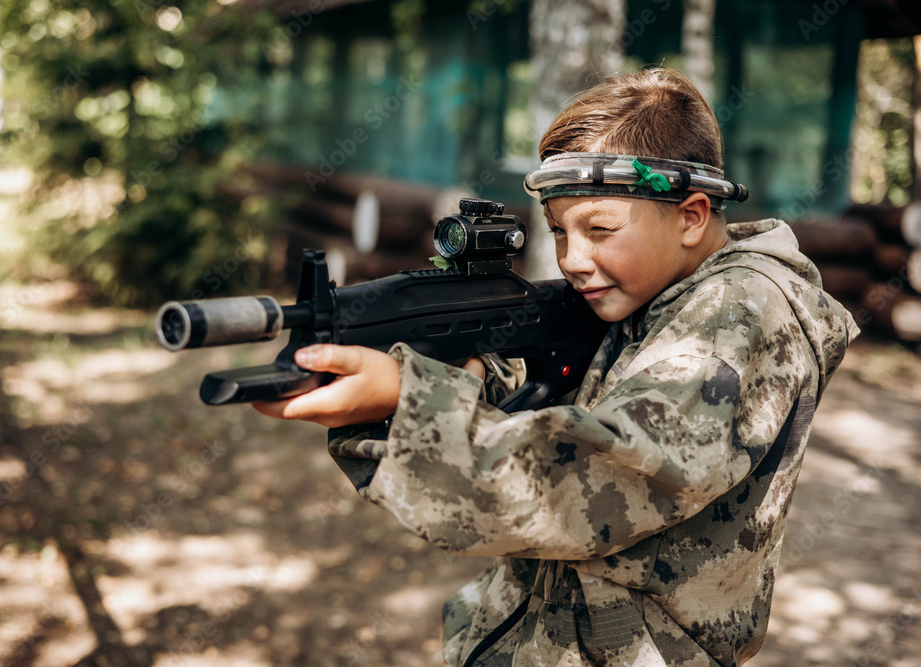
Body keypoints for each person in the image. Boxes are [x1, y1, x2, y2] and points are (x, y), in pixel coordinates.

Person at [253, 67, 859, 666]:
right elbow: (574, 395)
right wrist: (472, 378)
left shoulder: (739, 308)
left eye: (600, 229)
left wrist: (409, 402)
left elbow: (606, 473)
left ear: (692, 216)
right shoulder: (649, 294)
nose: (574, 260)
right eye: (558, 232)